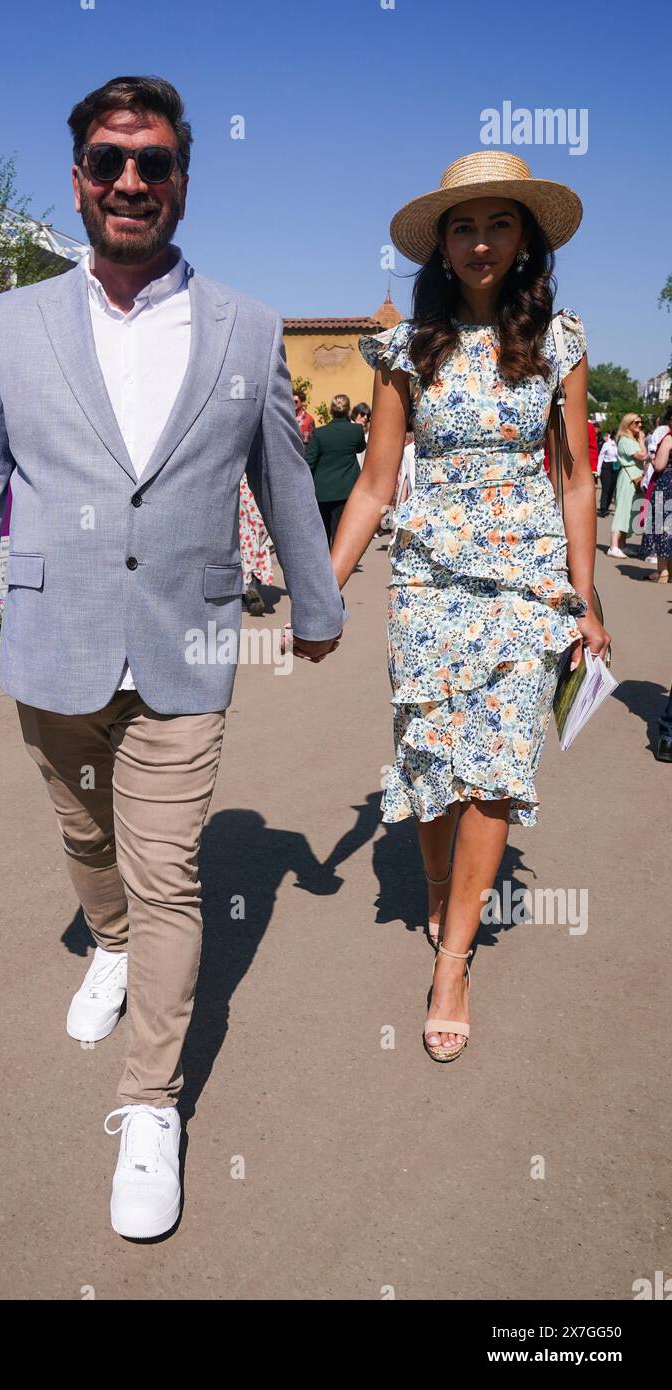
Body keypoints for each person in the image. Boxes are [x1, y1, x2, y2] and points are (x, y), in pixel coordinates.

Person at [0, 74, 344, 1241]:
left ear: (180, 183)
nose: (129, 180)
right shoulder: (13, 322)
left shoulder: (245, 327)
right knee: (81, 834)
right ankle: (103, 943)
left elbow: (280, 480)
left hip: (188, 638)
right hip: (53, 638)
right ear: (78, 179)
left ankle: (149, 1104)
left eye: (152, 163)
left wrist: (312, 603)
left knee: (171, 878)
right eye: (109, 161)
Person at [331, 150, 608, 1063]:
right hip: (428, 587)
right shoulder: (405, 348)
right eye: (463, 226)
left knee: (494, 767)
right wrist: (322, 587)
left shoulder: (559, 341)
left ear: (524, 238)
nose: (481, 241)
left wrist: (586, 598)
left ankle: (453, 960)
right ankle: (442, 876)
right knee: (428, 761)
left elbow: (574, 482)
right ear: (440, 246)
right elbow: (374, 486)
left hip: (527, 588)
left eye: (498, 223)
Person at [305, 393, 367, 545]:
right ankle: (339, 565)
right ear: (348, 411)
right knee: (341, 532)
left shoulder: (319, 433)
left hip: (322, 491)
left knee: (322, 533)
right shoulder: (356, 431)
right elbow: (361, 448)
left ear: (330, 411)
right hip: (347, 489)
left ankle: (325, 565)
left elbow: (309, 462)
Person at [638, 407, 672, 582]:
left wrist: (652, 457)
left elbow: (659, 465)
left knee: (662, 527)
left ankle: (662, 571)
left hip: (666, 484)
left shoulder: (668, 439)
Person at [608, 413, 648, 557]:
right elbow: (642, 456)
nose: (640, 425)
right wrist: (642, 440)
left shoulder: (630, 440)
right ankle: (613, 546)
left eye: (640, 422)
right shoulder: (625, 440)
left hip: (634, 478)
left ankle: (622, 544)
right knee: (622, 510)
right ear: (628, 424)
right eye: (636, 423)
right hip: (628, 478)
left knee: (630, 512)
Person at [238, 472, 273, 614]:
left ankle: (242, 593)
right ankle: (254, 586)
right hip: (257, 491)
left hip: (241, 490)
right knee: (259, 545)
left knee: (241, 543)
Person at [597, 430, 618, 515]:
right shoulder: (607, 444)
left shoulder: (619, 445)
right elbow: (601, 457)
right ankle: (603, 508)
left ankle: (607, 507)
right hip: (606, 467)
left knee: (611, 489)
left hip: (615, 467)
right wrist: (598, 471)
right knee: (606, 488)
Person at [351, 401, 371, 466]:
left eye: (368, 415)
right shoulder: (349, 429)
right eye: (362, 414)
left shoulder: (367, 432)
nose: (365, 417)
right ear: (355, 414)